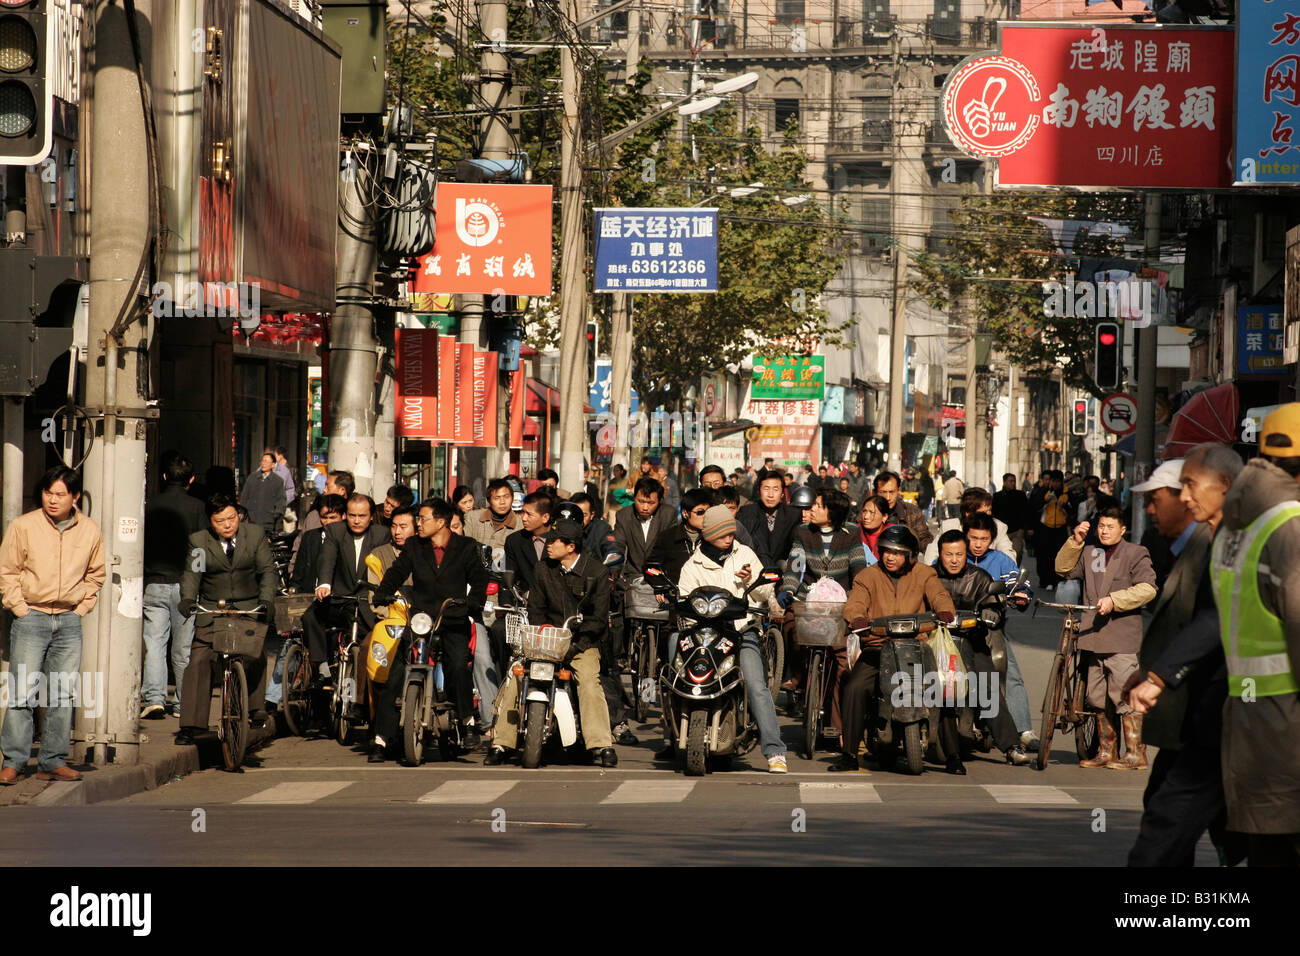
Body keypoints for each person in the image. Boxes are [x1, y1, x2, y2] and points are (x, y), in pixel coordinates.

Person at [1164, 408, 1300, 864]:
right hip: (1286, 725)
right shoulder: (1290, 528)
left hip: (1250, 719)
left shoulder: (1240, 527)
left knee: (1267, 850)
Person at [1124, 450, 1241, 867]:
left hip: (1226, 708)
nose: (1151, 509)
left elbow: (1215, 618)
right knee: (1174, 809)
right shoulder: (1204, 542)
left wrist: (1158, 675)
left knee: (1168, 818)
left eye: (1188, 486)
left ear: (1222, 486)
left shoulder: (1224, 542)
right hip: (1207, 710)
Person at [0, 467, 106, 785]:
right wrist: (19, 607)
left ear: (75, 497)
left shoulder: (89, 531)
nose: (53, 500)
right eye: (48, 493)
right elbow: (7, 570)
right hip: (31, 616)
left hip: (69, 620)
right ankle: (14, 760)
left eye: (60, 494)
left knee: (62, 693)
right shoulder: (24, 526)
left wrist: (81, 608)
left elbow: (96, 574)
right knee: (22, 692)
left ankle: (52, 759)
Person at [486, 518, 618, 767]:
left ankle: (601, 744)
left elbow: (598, 619)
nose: (548, 544)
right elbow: (536, 607)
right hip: (546, 641)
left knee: (589, 681)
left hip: (582, 643)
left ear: (571, 546)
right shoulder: (543, 568)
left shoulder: (596, 571)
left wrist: (575, 644)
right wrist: (543, 634)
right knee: (516, 675)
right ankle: (501, 742)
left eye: (554, 540)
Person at [833, 525, 956, 772]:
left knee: (942, 686)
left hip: (916, 647)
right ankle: (848, 754)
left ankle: (953, 756)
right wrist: (857, 618)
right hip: (877, 648)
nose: (890, 557)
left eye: (898, 553)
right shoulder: (867, 576)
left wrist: (945, 611)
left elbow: (939, 595)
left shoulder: (924, 573)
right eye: (887, 551)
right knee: (856, 687)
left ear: (910, 555)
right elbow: (855, 603)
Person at [372, 499, 488, 760]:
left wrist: (474, 601)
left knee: (458, 665)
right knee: (397, 672)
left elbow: (479, 579)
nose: (418, 524)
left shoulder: (466, 547)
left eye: (422, 519)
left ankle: (467, 722)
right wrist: (383, 592)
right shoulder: (415, 546)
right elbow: (396, 571)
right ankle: (381, 739)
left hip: (453, 618)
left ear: (441, 522)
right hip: (420, 620)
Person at [675, 505, 787, 772]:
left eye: (731, 533)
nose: (729, 538)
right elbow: (683, 600)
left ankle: (775, 751)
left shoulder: (744, 553)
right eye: (723, 534)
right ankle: (675, 734)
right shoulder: (693, 565)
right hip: (703, 634)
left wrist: (752, 582)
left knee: (756, 684)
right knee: (676, 668)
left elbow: (764, 594)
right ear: (710, 534)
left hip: (740, 629)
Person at [1055, 506, 1157, 769]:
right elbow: (1062, 569)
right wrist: (1075, 541)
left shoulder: (1135, 553)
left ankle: (1136, 753)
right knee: (1097, 697)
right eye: (1101, 526)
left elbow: (1148, 589)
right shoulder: (1090, 552)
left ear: (1123, 529)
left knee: (1124, 695)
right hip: (1092, 635)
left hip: (1121, 636)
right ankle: (1106, 751)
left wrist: (1115, 600)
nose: (1104, 531)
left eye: (1110, 526)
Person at [175, 494, 279, 747]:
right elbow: (192, 574)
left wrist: (266, 601)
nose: (227, 524)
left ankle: (255, 709)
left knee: (254, 654)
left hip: (248, 606)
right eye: (220, 520)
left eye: (232, 518)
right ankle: (191, 725)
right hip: (213, 608)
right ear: (210, 522)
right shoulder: (199, 542)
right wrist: (188, 599)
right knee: (199, 661)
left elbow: (267, 571)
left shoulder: (253, 536)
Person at [932, 530, 1030, 771]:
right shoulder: (929, 577)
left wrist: (990, 614)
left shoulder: (981, 577)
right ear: (940, 555)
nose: (954, 560)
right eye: (948, 555)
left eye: (959, 554)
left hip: (973, 642)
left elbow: (994, 604)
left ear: (966, 555)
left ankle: (1011, 746)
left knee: (987, 687)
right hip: (936, 644)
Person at [776, 488, 866, 730]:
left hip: (841, 601)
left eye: (818, 505)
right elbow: (795, 564)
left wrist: (857, 597)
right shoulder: (803, 532)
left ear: (832, 512)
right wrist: (789, 588)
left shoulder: (852, 533)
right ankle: (799, 677)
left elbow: (858, 568)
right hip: (809, 598)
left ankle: (836, 725)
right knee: (791, 625)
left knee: (841, 663)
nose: (811, 509)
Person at [962, 512, 1038, 750]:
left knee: (1009, 672)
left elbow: (1020, 583)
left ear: (991, 539)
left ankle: (1023, 729)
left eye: (983, 539)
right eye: (973, 538)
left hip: (991, 629)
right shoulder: (954, 557)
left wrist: (1022, 594)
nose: (978, 544)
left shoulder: (1001, 561)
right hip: (955, 629)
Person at [141, 455, 207, 719]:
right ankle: (182, 702)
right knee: (183, 648)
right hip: (185, 585)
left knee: (154, 643)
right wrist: (199, 578)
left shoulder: (150, 504)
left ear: (164, 477)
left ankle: (154, 698)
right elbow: (200, 549)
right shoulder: (197, 507)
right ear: (191, 479)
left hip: (154, 582)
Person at [303, 493, 390, 681]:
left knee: (371, 639)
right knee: (311, 616)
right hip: (339, 598)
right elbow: (327, 557)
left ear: (371, 516)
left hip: (365, 601)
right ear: (346, 515)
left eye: (362, 516)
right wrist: (324, 583)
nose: (356, 520)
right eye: (352, 515)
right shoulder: (336, 530)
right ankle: (321, 665)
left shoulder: (381, 534)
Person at [356, 505, 417, 729]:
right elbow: (374, 597)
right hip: (390, 620)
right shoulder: (378, 555)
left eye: (403, 526)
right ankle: (362, 705)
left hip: (420, 623)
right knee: (367, 648)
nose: (397, 531)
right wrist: (391, 613)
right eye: (394, 526)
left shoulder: (424, 552)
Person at [921, 487, 1016, 565]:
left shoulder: (998, 527)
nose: (988, 515)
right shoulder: (950, 526)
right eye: (983, 512)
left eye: (989, 510)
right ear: (968, 513)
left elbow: (1008, 554)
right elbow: (932, 553)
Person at [290, 470, 354, 576]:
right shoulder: (314, 516)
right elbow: (299, 547)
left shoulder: (353, 518)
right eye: (324, 517)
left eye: (328, 486)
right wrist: (293, 573)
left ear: (342, 490)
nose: (324, 490)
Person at [737, 468, 803, 571]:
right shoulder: (747, 513)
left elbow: (797, 547)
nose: (771, 495)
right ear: (759, 491)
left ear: (782, 493)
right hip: (755, 572)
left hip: (784, 573)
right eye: (766, 489)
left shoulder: (793, 515)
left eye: (776, 489)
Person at [613, 476, 675, 579]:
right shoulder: (624, 515)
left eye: (651, 503)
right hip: (633, 576)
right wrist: (614, 569)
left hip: (661, 576)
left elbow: (671, 548)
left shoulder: (668, 515)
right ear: (634, 498)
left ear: (659, 501)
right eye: (640, 501)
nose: (645, 508)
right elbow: (617, 545)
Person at [504, 491, 556, 594]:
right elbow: (509, 574)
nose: (523, 518)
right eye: (523, 512)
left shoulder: (559, 540)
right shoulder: (515, 540)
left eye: (529, 514)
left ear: (545, 517)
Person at [874, 470, 933, 551]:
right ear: (876, 492)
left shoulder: (913, 512)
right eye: (883, 492)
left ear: (898, 491)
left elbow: (923, 538)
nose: (888, 497)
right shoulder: (868, 512)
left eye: (891, 492)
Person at [1035, 470, 1071, 591]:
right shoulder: (1044, 492)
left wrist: (1062, 505)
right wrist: (1046, 501)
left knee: (1060, 555)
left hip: (1061, 528)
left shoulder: (1067, 493)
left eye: (1057, 481)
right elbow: (1035, 507)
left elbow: (1072, 510)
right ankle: (1047, 580)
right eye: (1053, 481)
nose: (1055, 484)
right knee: (1047, 555)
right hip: (1046, 527)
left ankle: (1058, 580)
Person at [464, 478, 520, 554]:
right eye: (497, 498)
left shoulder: (520, 525)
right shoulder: (473, 518)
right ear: (489, 500)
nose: (502, 502)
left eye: (506, 497)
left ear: (512, 498)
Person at [241, 450, 287, 537]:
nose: (263, 463)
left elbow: (281, 501)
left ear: (273, 464)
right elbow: (244, 497)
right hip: (252, 521)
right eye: (262, 461)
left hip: (269, 523)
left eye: (266, 461)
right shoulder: (252, 477)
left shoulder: (278, 481)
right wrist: (248, 511)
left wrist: (275, 515)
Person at [993, 473, 1032, 565]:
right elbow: (994, 513)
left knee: (1017, 551)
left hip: (1017, 530)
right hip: (1002, 530)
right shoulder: (997, 496)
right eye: (1010, 481)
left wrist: (1025, 528)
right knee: (1002, 552)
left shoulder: (1020, 495)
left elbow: (1026, 512)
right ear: (1005, 482)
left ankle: (1015, 570)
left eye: (1014, 481)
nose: (1013, 483)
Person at [857, 494, 891, 566]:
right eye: (864, 511)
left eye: (872, 512)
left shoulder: (892, 534)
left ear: (884, 517)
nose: (866, 516)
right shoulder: (855, 532)